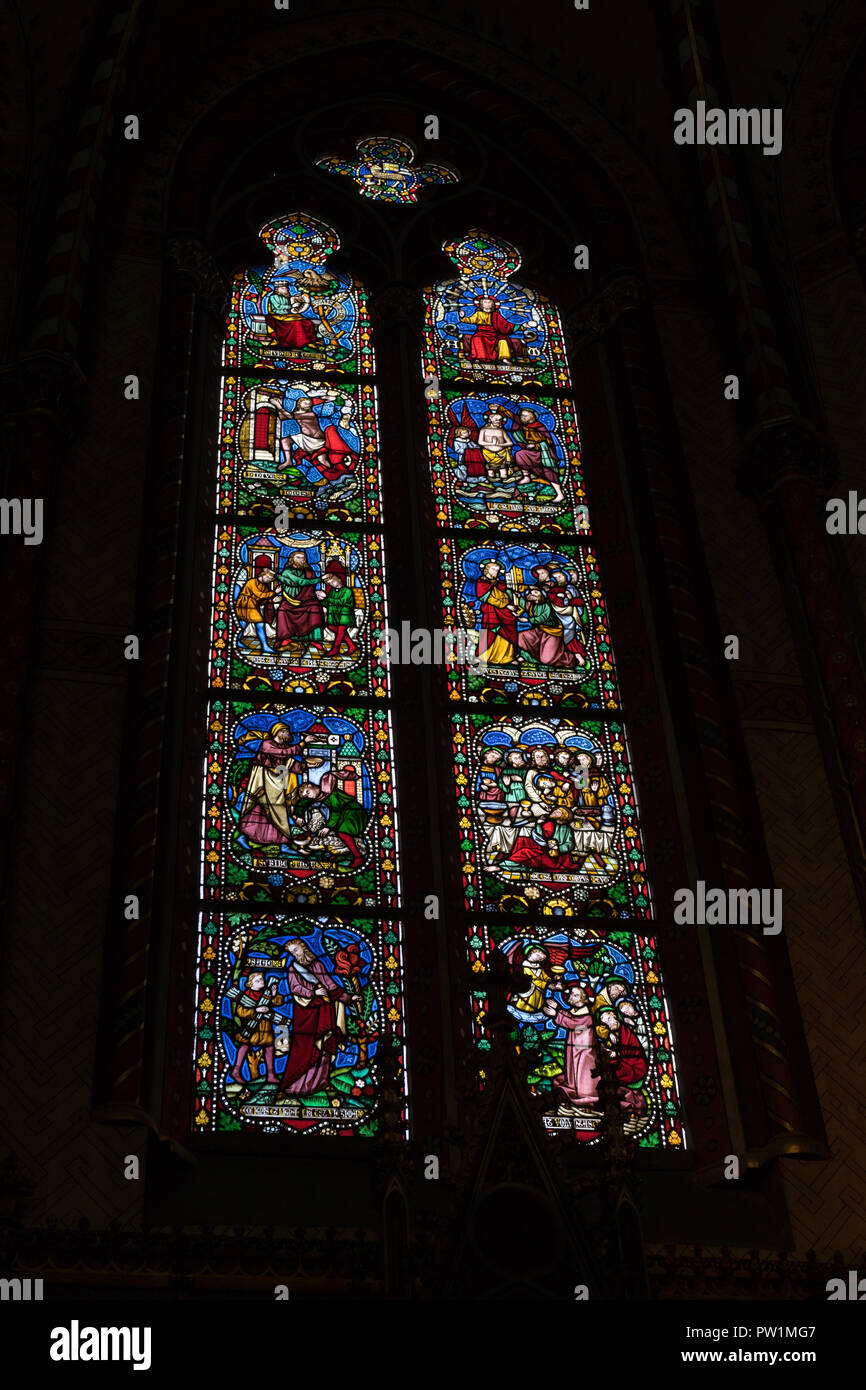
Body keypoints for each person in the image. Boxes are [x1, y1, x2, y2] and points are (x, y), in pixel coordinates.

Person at [277, 940, 353, 1098]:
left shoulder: (318, 965)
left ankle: (320, 1083)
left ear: (303, 947)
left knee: (324, 1045)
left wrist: (349, 998)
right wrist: (313, 992)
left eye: (296, 950)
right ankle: (295, 1086)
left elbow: (330, 985)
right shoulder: (293, 968)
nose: (295, 954)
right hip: (305, 1013)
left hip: (323, 1010)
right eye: (292, 952)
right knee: (302, 1048)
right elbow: (295, 988)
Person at [238, 723, 304, 848]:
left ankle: (281, 842)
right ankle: (244, 836)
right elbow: (282, 754)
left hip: (276, 783)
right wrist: (302, 744)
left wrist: (307, 766)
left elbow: (288, 763)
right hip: (262, 781)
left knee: (276, 810)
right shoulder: (267, 744)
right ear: (279, 732)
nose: (289, 734)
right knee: (257, 808)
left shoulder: (285, 748)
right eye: (286, 731)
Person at [543, 985, 600, 1115]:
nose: (571, 997)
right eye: (571, 994)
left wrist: (556, 1014)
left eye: (575, 995)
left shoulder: (587, 1016)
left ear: (584, 999)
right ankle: (574, 1088)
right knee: (572, 1071)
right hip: (575, 1048)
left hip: (585, 1052)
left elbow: (574, 1023)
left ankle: (586, 1096)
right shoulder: (577, 1011)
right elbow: (571, 1017)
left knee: (582, 1074)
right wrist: (558, 1009)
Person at [228, 972, 283, 1085]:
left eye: (262, 979)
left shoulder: (266, 993)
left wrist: (274, 994)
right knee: (245, 1045)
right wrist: (256, 1010)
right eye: (257, 980)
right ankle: (236, 1071)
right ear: (250, 983)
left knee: (269, 1047)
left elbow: (278, 1002)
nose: (261, 982)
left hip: (265, 1026)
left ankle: (271, 1075)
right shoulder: (245, 995)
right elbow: (241, 1012)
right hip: (251, 1026)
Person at [275, 550, 324, 653]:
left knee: (315, 608)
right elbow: (299, 582)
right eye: (298, 557)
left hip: (307, 599)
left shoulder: (309, 571)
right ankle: (287, 639)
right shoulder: (287, 571)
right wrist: (320, 579)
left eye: (303, 558)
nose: (301, 560)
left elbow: (310, 587)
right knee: (282, 610)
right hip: (290, 600)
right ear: (292, 559)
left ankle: (314, 639)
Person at [512, 408, 565, 502]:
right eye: (521, 416)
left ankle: (559, 494)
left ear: (531, 417)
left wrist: (536, 445)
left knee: (548, 470)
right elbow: (513, 420)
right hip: (532, 452)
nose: (522, 418)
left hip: (544, 452)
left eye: (525, 416)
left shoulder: (539, 427)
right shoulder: (523, 427)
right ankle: (526, 477)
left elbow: (548, 442)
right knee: (520, 454)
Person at [516, 585, 575, 669]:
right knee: (520, 637)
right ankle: (528, 657)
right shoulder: (531, 604)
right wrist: (519, 597)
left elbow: (542, 618)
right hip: (539, 631)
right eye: (531, 593)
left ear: (542, 595)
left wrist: (528, 620)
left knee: (546, 660)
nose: (533, 594)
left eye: (536, 592)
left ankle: (570, 658)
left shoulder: (546, 606)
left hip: (553, 633)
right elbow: (524, 604)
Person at [475, 561, 519, 665]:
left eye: (497, 570)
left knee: (508, 629)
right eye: (493, 569)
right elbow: (486, 597)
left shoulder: (500, 582)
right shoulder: (481, 582)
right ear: (487, 569)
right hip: (491, 611)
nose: (496, 572)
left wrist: (513, 593)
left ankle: (508, 657)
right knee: (490, 632)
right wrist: (506, 605)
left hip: (504, 611)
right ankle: (482, 656)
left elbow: (505, 594)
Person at [460, 294, 524, 363]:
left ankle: (504, 358)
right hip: (481, 333)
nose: (487, 304)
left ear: (493, 304)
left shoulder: (496, 315)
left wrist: (521, 326)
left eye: (489, 302)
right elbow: (470, 320)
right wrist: (462, 317)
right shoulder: (478, 314)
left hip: (495, 334)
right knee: (477, 339)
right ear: (481, 304)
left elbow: (506, 325)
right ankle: (479, 358)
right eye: (485, 302)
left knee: (503, 341)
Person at [235, 563, 278, 654]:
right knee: (260, 624)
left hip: (253, 606)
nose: (269, 580)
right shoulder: (252, 582)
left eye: (271, 579)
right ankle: (265, 646)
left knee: (243, 624)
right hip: (245, 604)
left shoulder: (264, 586)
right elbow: (259, 595)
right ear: (263, 575)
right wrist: (274, 592)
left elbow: (265, 598)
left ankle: (236, 641)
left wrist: (274, 599)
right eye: (268, 577)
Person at [265, 281, 320, 350]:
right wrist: (291, 306)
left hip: (289, 314)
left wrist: (298, 301)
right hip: (278, 315)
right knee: (297, 323)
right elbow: (278, 307)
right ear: (278, 289)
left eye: (286, 288)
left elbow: (293, 304)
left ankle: (310, 341)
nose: (287, 289)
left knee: (307, 322)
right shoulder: (273, 297)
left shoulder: (287, 296)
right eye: (284, 288)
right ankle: (301, 343)